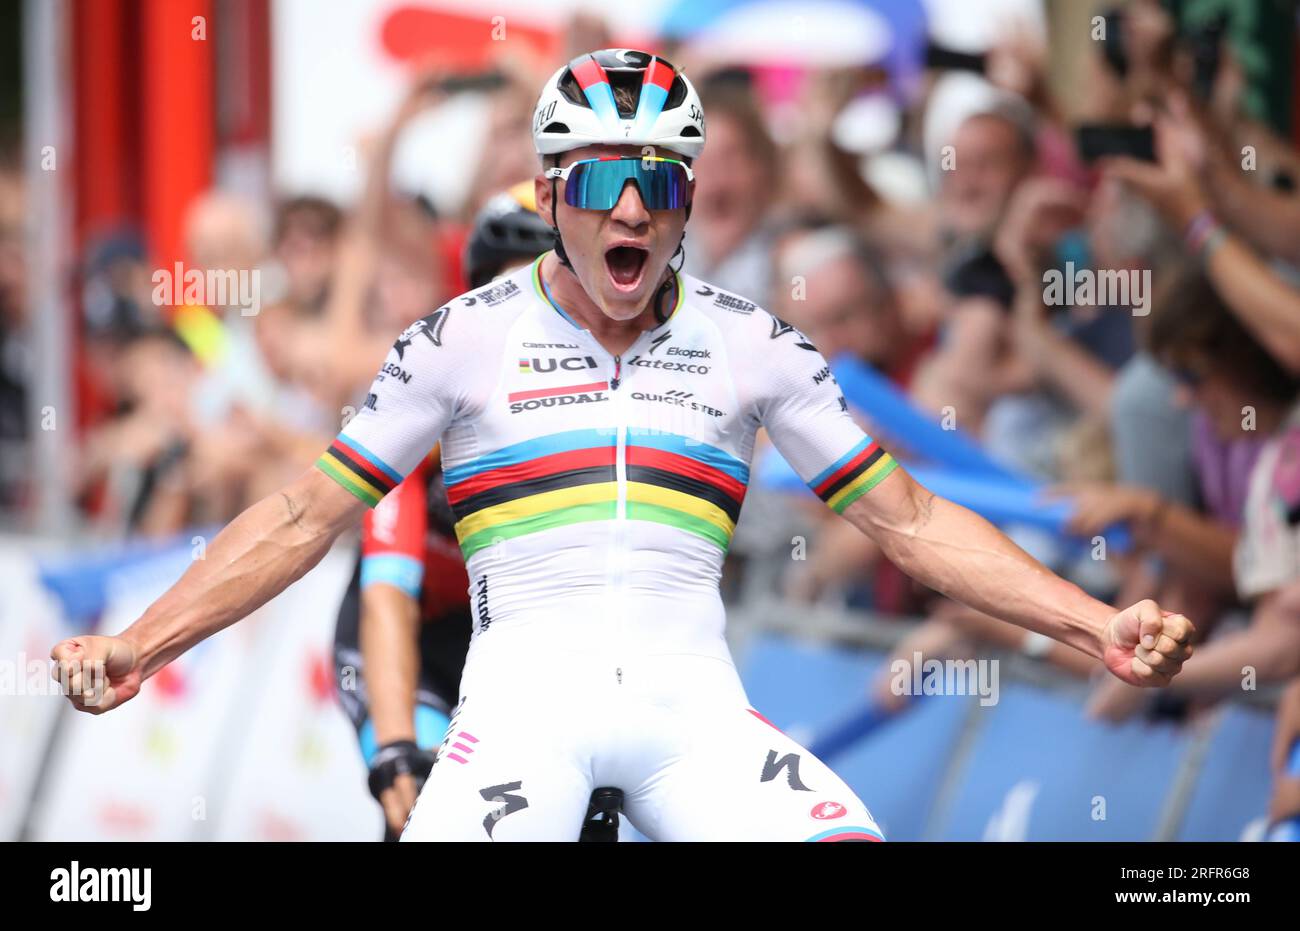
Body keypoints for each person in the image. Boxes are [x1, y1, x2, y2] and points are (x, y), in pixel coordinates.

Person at [52, 49, 1195, 842]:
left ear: (689, 195)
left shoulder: (752, 343)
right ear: (553, 191)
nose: (632, 212)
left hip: (692, 719)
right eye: (602, 181)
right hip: (519, 726)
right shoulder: (458, 340)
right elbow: (306, 518)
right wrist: (142, 643)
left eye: (659, 181)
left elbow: (909, 522)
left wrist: (1095, 623)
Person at [334, 184, 555, 842]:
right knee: (429, 808)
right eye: (504, 301)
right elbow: (387, 596)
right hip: (414, 637)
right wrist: (397, 744)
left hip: (515, 650)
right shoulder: (434, 402)